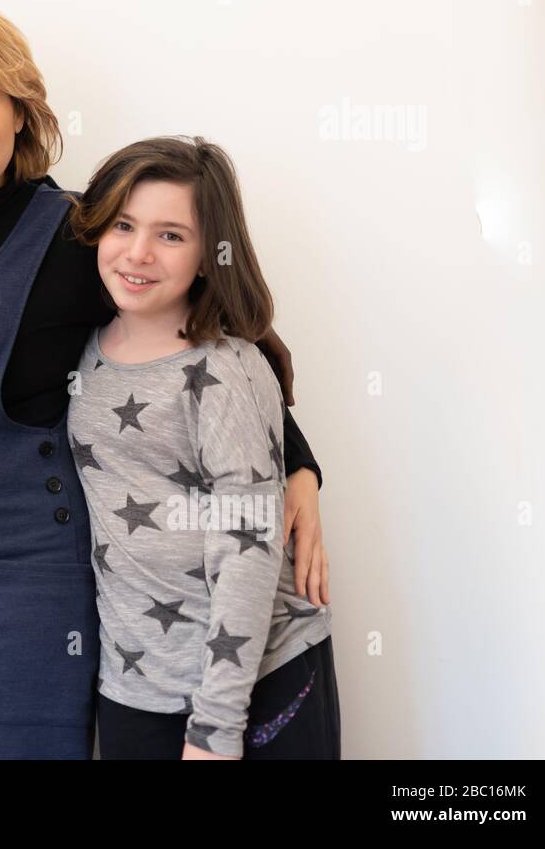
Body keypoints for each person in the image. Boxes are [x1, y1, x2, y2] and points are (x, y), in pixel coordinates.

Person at [0, 2, 328, 758]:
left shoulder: (72, 235)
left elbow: (219, 329)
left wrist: (297, 463)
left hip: (9, 589)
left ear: (22, 110)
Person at [66, 137, 340, 759]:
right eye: (124, 225)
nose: (138, 252)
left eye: (170, 235)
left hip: (247, 681)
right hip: (137, 676)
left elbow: (247, 548)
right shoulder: (81, 344)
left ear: (210, 254)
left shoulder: (225, 372)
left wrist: (216, 728)